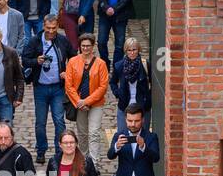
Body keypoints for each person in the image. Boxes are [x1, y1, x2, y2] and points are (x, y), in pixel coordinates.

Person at [20, 14, 74, 164]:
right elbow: (24, 59)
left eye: (53, 28)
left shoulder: (62, 40)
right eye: (48, 28)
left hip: (58, 87)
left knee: (59, 121)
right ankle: (41, 150)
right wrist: (35, 61)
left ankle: (59, 151)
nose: (51, 31)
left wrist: (67, 72)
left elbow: (74, 57)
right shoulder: (34, 41)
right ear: (43, 26)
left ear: (57, 26)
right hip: (41, 88)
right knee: (40, 122)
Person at [64, 33, 109, 164]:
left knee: (94, 133)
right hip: (79, 103)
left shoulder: (101, 64)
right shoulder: (73, 62)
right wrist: (79, 102)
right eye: (83, 46)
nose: (85, 48)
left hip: (96, 104)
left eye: (88, 46)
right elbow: (69, 85)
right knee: (82, 134)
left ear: (93, 46)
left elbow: (103, 87)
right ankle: (84, 161)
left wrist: (87, 101)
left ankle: (94, 164)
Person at [110, 36, 151, 133]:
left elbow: (152, 83)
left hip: (142, 106)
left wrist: (148, 98)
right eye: (129, 50)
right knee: (123, 134)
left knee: (143, 135)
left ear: (138, 50)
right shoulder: (119, 65)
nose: (132, 53)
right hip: (124, 105)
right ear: (125, 51)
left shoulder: (145, 64)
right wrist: (118, 93)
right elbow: (112, 82)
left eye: (134, 50)